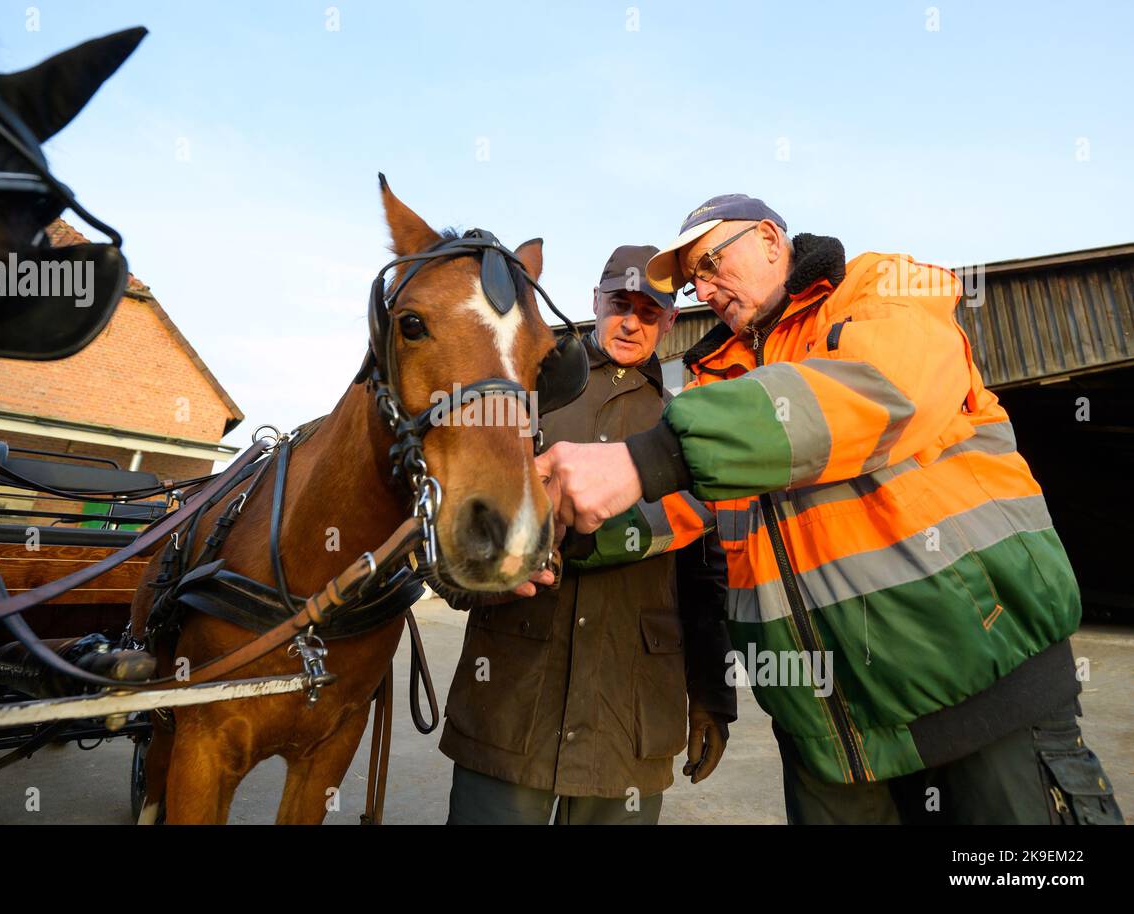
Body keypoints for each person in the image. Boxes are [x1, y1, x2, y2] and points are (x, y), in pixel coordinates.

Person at [536, 195, 1124, 824]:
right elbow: (671, 508)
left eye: (710, 263)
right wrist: (547, 535)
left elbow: (880, 390)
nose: (703, 289)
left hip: (982, 690)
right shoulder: (714, 381)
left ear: (767, 238)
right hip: (824, 732)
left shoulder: (877, 289)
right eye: (692, 281)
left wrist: (642, 459)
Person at [440, 244, 735, 825]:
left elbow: (704, 576)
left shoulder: (685, 423)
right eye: (619, 303)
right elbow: (460, 532)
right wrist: (487, 583)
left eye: (648, 310)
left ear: (670, 319)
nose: (631, 321)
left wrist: (710, 698)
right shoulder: (527, 399)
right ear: (595, 303)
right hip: (512, 698)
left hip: (627, 716)